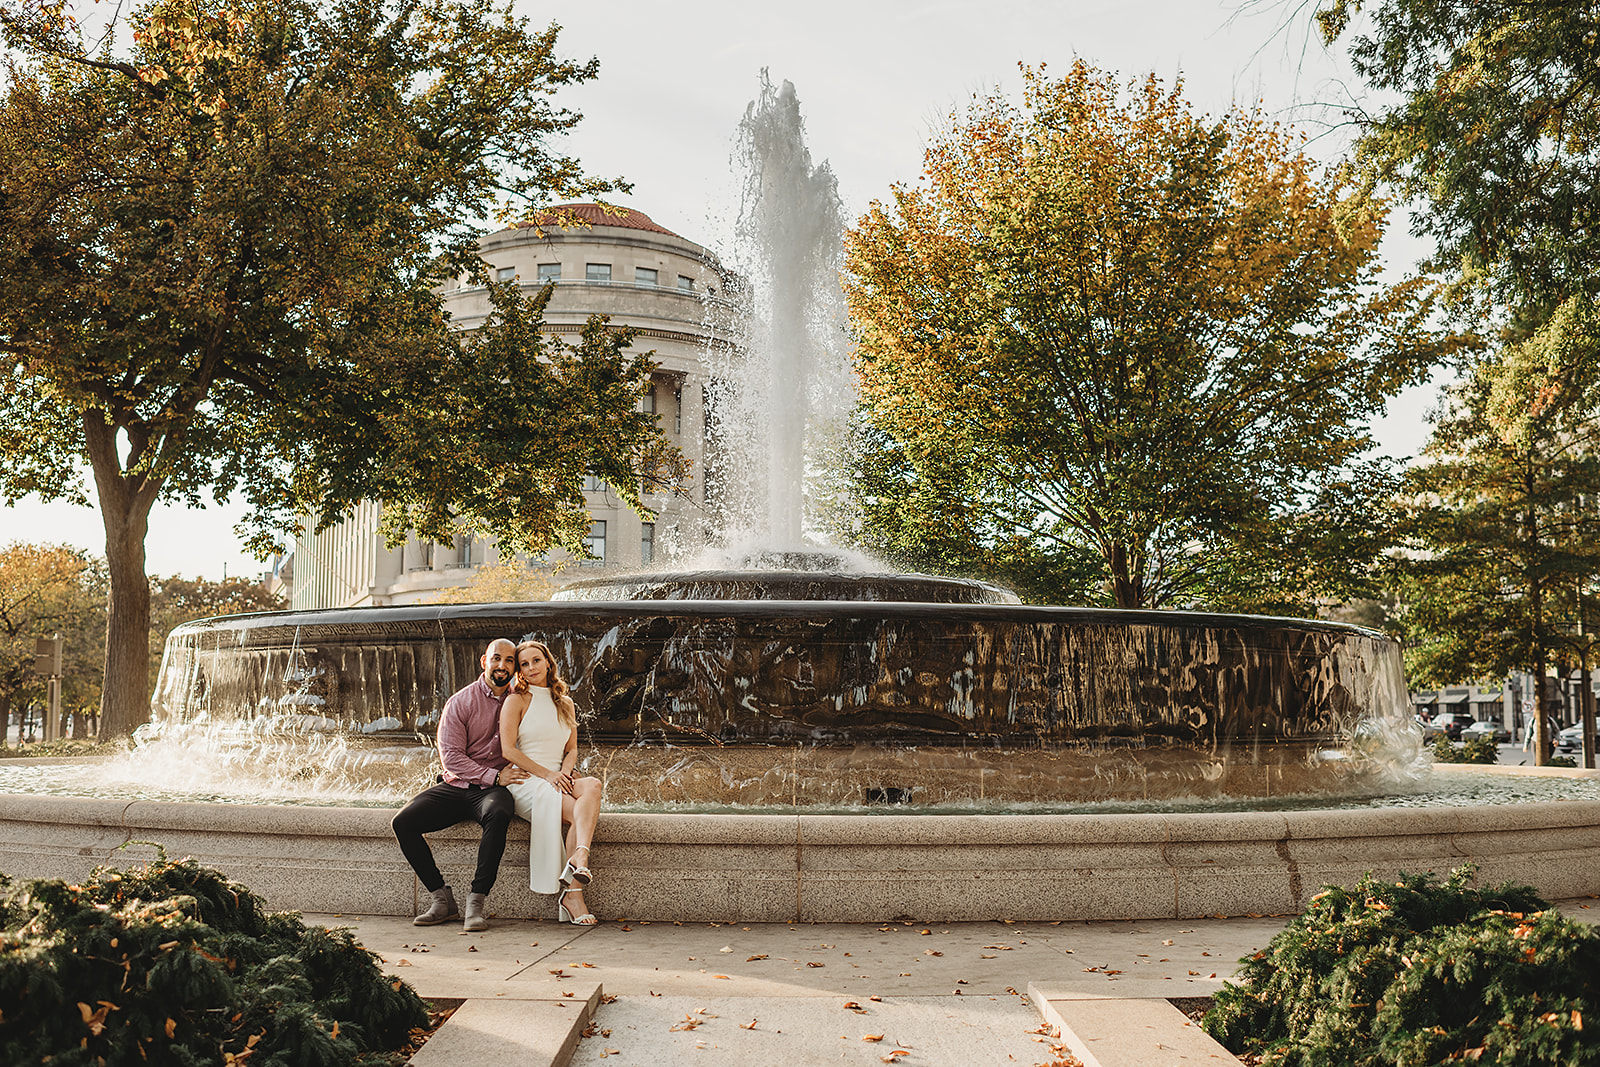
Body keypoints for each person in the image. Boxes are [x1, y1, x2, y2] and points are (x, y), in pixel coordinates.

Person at [392, 638, 530, 930]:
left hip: (494, 791)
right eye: (496, 659)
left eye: (509, 661)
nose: (502, 666)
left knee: (499, 813)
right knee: (403, 822)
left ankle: (476, 901)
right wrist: (493, 775)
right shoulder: (461, 702)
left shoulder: (522, 701)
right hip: (459, 786)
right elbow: (452, 759)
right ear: (484, 662)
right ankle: (442, 900)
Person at [499, 638, 603, 925]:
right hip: (528, 781)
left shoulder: (566, 703)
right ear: (519, 671)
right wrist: (548, 775)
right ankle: (575, 892)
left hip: (559, 777)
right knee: (575, 813)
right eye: (524, 664)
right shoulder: (516, 701)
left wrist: (565, 772)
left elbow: (571, 749)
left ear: (548, 662)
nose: (532, 667)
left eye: (536, 660)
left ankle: (579, 860)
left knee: (592, 785)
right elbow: (509, 750)